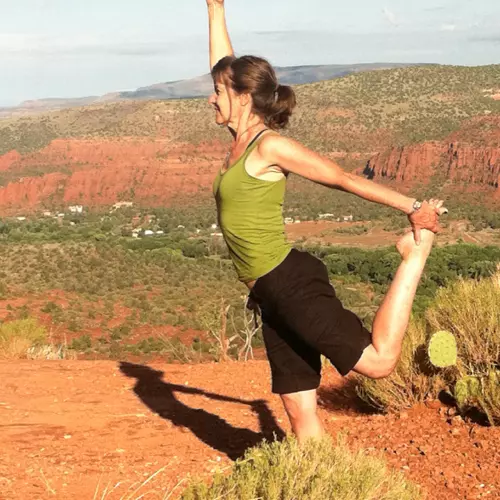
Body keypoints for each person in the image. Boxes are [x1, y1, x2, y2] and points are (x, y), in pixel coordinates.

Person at [205, 0, 447, 442]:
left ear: (241, 97)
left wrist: (411, 207)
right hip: (267, 293)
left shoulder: (268, 146)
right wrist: (215, 10)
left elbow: (341, 178)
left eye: (219, 92)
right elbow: (225, 67)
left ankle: (413, 256)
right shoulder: (238, 138)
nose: (211, 98)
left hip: (288, 281)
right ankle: (317, 481)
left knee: (378, 362)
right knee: (299, 410)